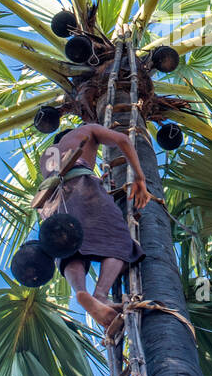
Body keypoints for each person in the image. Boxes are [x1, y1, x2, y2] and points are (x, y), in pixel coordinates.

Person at [39, 122, 150, 328]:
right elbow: (122, 140)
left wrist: (98, 181)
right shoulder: (85, 130)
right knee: (119, 240)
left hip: (50, 201)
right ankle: (100, 295)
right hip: (81, 182)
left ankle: (80, 290)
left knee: (69, 248)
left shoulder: (48, 154)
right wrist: (139, 178)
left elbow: (66, 183)